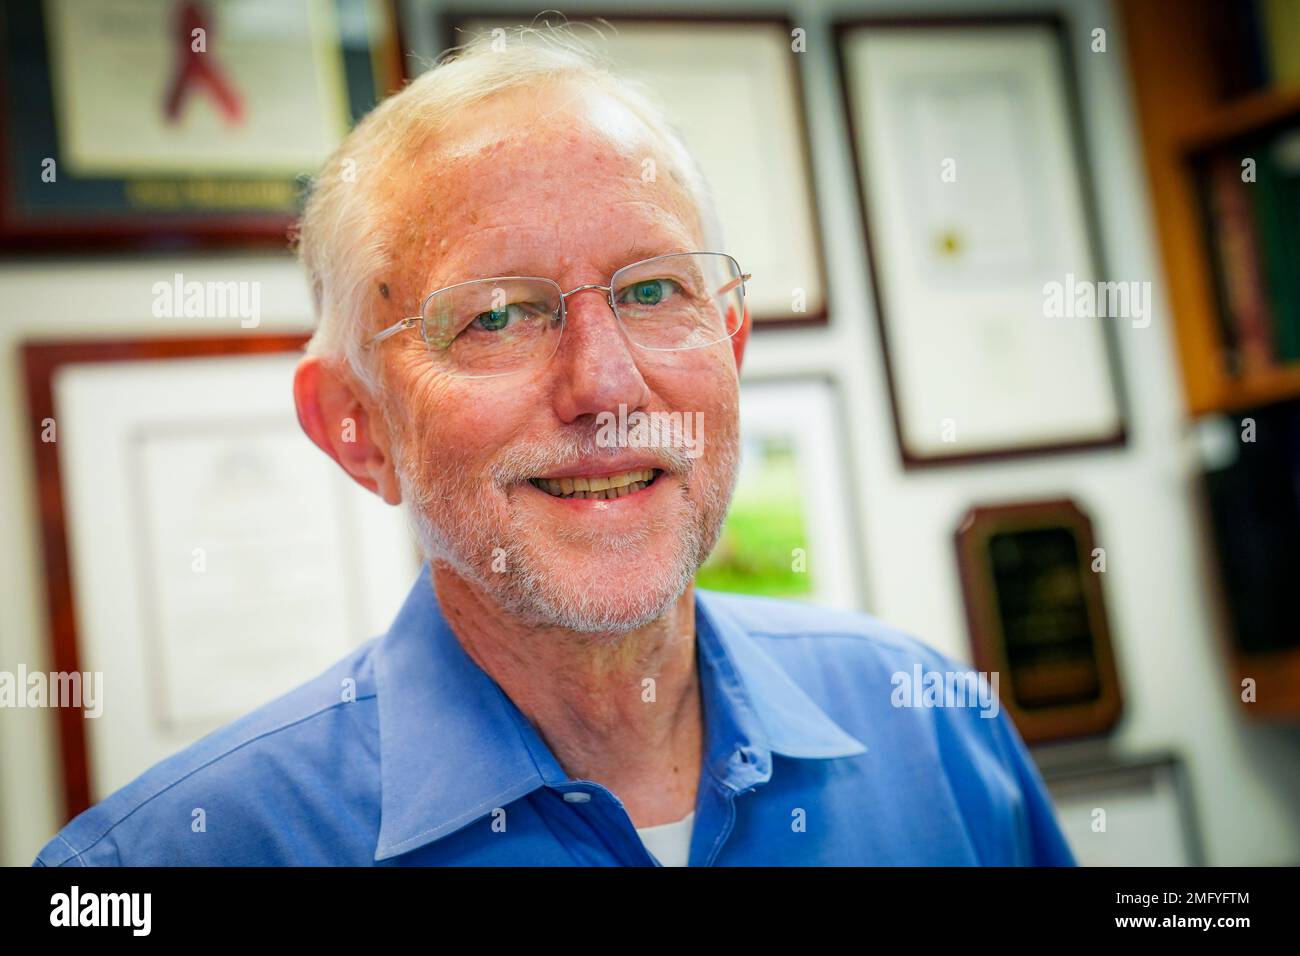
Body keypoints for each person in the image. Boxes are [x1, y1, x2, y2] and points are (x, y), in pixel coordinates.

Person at [35, 26, 1075, 867]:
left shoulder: (931, 732)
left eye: (655, 290)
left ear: (732, 341)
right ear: (357, 428)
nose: (605, 386)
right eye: (496, 316)